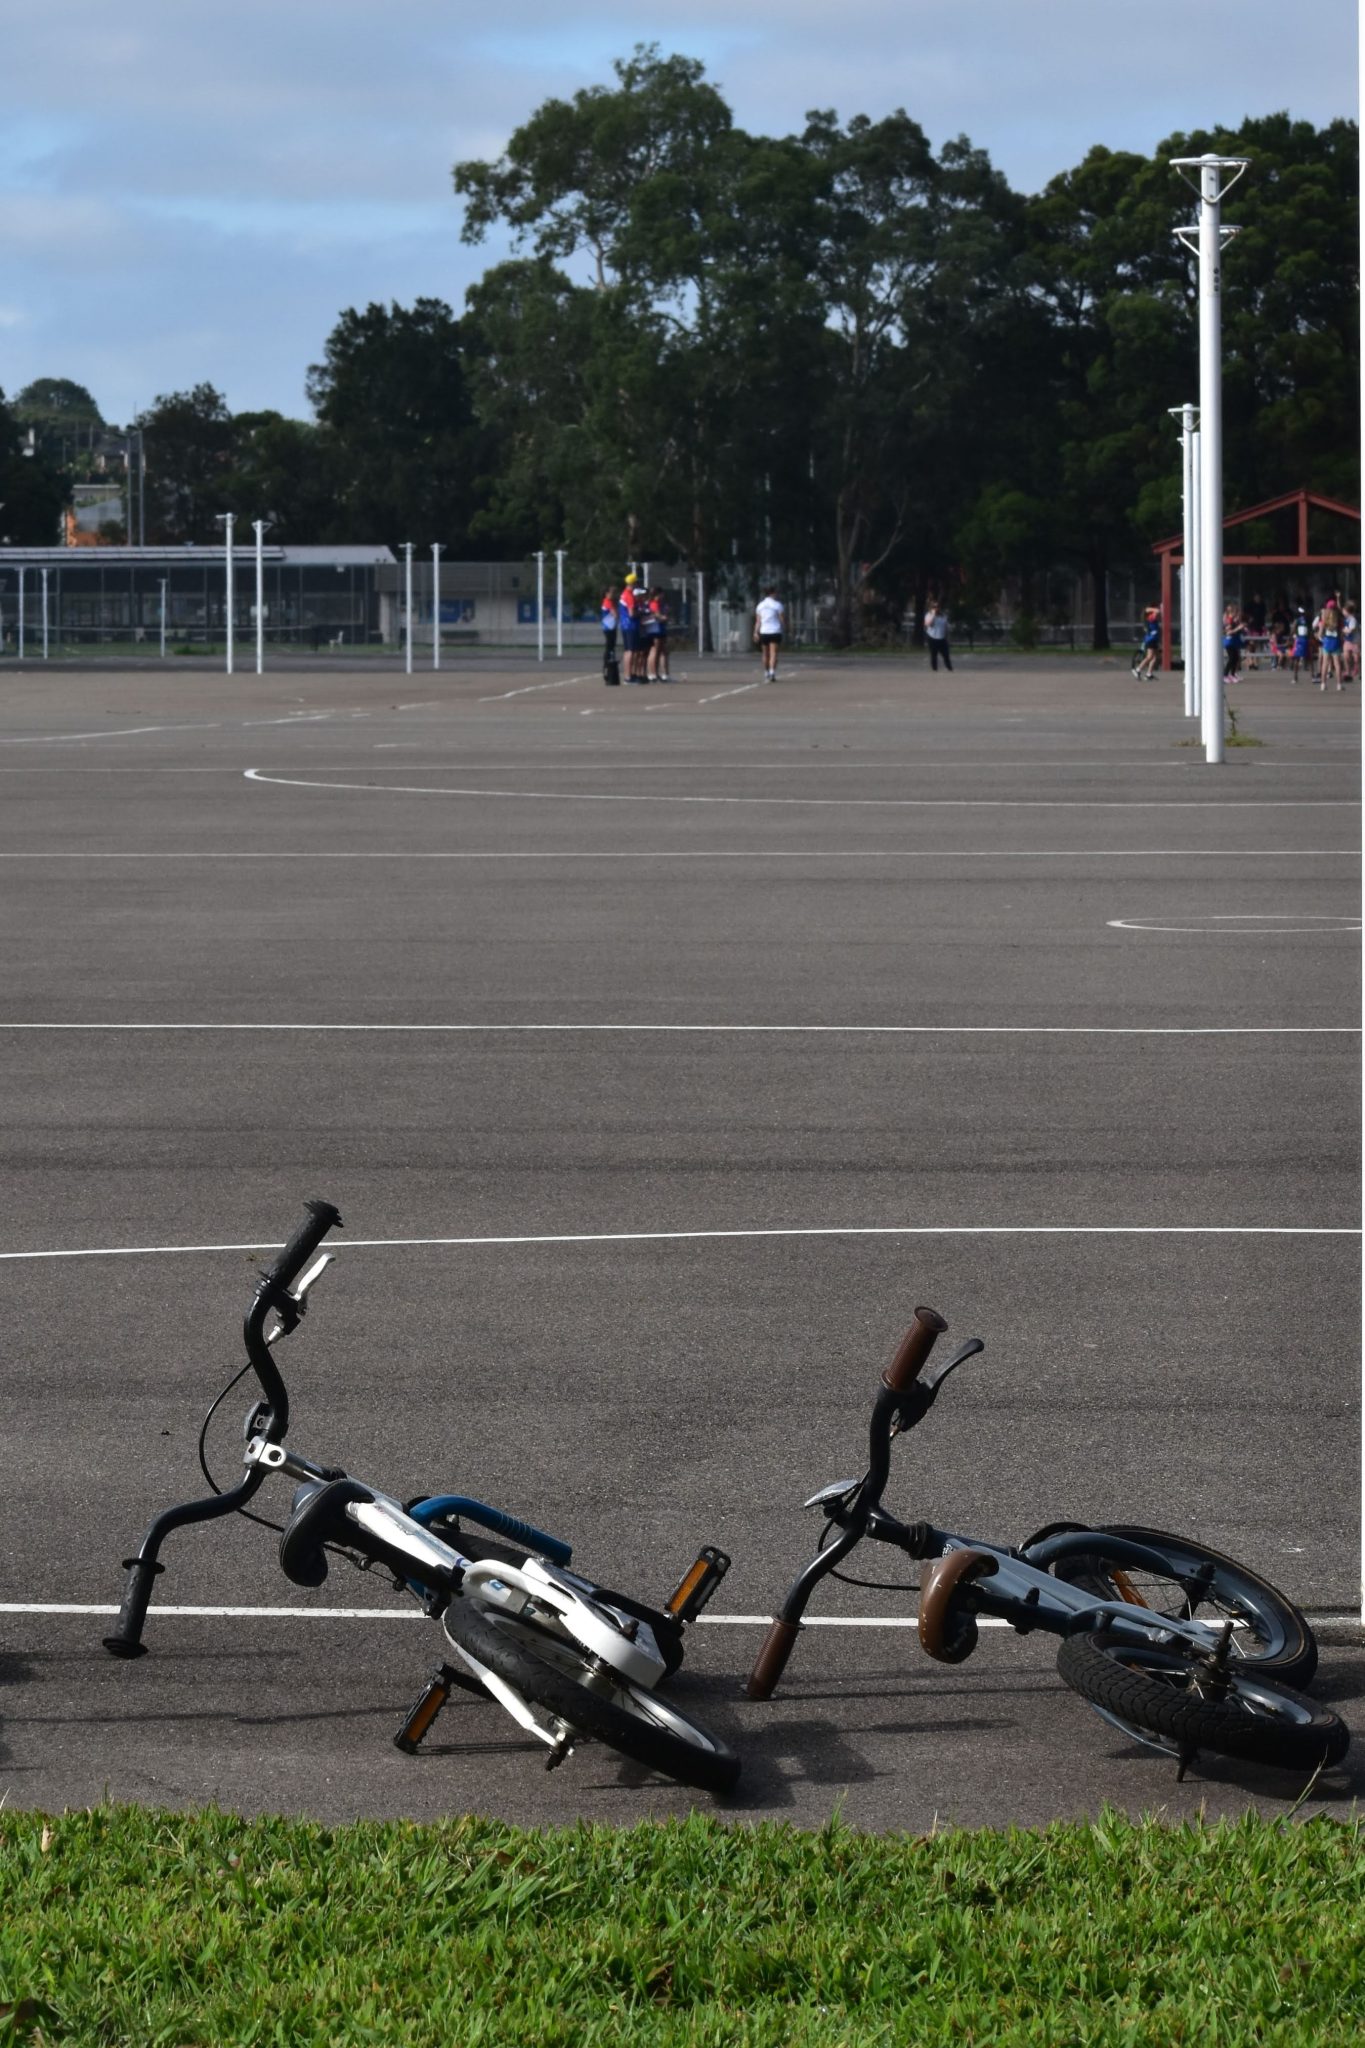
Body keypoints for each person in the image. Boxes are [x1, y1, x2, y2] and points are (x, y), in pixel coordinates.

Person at [753, 587, 784, 679]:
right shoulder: (777, 605)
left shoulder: (760, 606)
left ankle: (766, 671)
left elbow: (758, 621)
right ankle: (772, 671)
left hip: (764, 631)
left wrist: (755, 632)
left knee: (765, 653)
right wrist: (786, 628)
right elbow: (781, 619)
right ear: (773, 593)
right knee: (773, 652)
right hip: (775, 631)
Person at [1315, 592, 1343, 691]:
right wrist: (1338, 598)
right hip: (1336, 642)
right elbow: (1341, 632)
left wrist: (1319, 636)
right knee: (1337, 664)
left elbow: (1320, 633)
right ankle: (1339, 685)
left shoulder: (1324, 618)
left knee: (1325, 664)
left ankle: (1323, 684)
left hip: (1327, 642)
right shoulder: (1338, 618)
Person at [619, 572, 643, 682]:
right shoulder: (629, 596)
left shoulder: (623, 593)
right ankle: (628, 676)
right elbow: (632, 613)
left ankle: (629, 674)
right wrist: (640, 613)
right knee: (631, 651)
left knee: (628, 651)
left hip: (625, 626)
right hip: (631, 626)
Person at [645, 588, 670, 681]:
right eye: (661, 594)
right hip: (655, 629)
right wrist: (663, 617)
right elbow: (657, 614)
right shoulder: (653, 603)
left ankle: (664, 673)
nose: (662, 597)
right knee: (655, 650)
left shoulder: (661, 603)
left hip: (661, 629)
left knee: (663, 651)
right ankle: (653, 673)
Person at [1132, 605, 1161, 680]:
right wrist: (1153, 609)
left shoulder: (1152, 618)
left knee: (1155, 657)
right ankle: (1138, 669)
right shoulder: (1150, 618)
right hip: (1150, 640)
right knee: (1150, 656)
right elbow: (1157, 611)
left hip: (1154, 639)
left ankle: (1149, 674)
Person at [924, 597, 952, 672]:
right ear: (931, 608)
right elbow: (927, 624)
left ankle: (949, 668)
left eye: (937, 607)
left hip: (942, 638)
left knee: (946, 655)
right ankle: (934, 669)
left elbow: (946, 627)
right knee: (934, 655)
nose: (936, 608)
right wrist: (933, 615)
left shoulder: (943, 616)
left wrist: (947, 638)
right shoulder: (928, 615)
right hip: (932, 637)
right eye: (934, 607)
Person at [600, 586, 620, 684]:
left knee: (612, 647)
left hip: (612, 627)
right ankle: (606, 665)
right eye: (612, 593)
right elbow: (615, 613)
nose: (614, 595)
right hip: (608, 627)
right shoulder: (607, 601)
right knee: (609, 646)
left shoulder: (612, 602)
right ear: (607, 593)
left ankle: (610, 663)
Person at [1290, 605, 1312, 684]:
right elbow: (1310, 631)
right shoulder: (1307, 620)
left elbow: (1293, 629)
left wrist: (1293, 635)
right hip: (1304, 639)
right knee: (1308, 658)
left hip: (1300, 640)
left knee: (1297, 658)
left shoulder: (1298, 620)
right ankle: (1312, 676)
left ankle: (1295, 677)